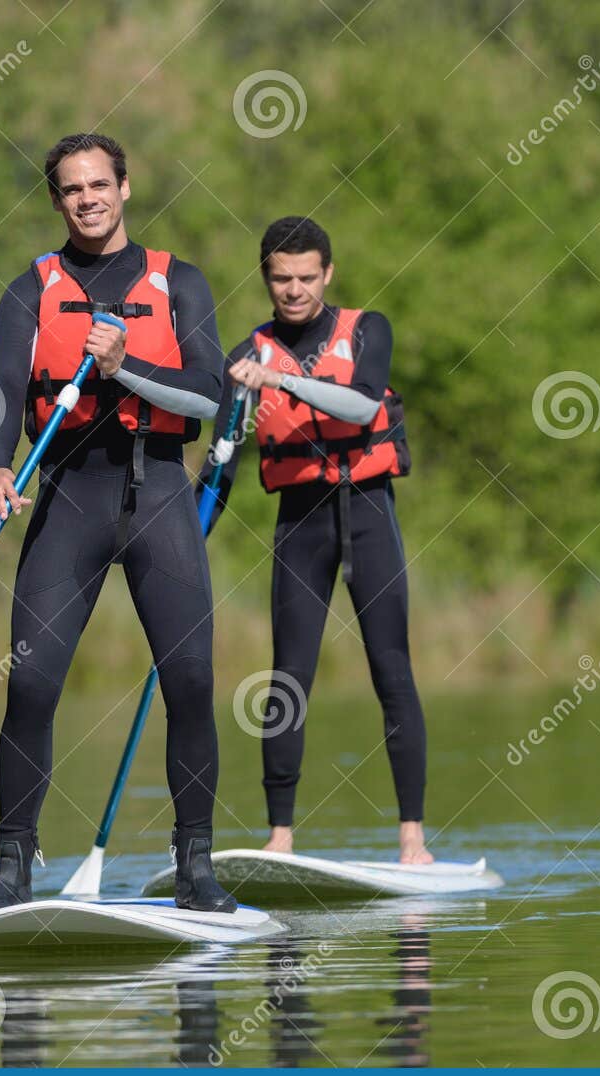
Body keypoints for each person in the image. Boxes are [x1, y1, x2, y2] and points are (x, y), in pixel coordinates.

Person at [0, 131, 236, 913]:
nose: (87, 199)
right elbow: (0, 390)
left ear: (125, 187)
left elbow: (209, 396)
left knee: (190, 684)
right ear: (57, 200)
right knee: (32, 685)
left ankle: (196, 870)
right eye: (70, 189)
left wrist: (127, 368)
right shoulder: (30, 290)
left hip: (158, 495)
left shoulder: (179, 283)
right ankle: (12, 872)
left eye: (98, 184)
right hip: (67, 497)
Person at [207, 215, 430, 862]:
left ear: (327, 274)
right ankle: (280, 837)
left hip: (369, 512)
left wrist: (276, 381)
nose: (295, 290)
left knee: (392, 671)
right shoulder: (246, 354)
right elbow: (222, 459)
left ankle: (412, 837)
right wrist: (190, 536)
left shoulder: (367, 330)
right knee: (288, 679)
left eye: (307, 277)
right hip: (300, 524)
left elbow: (363, 407)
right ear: (266, 279)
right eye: (282, 279)